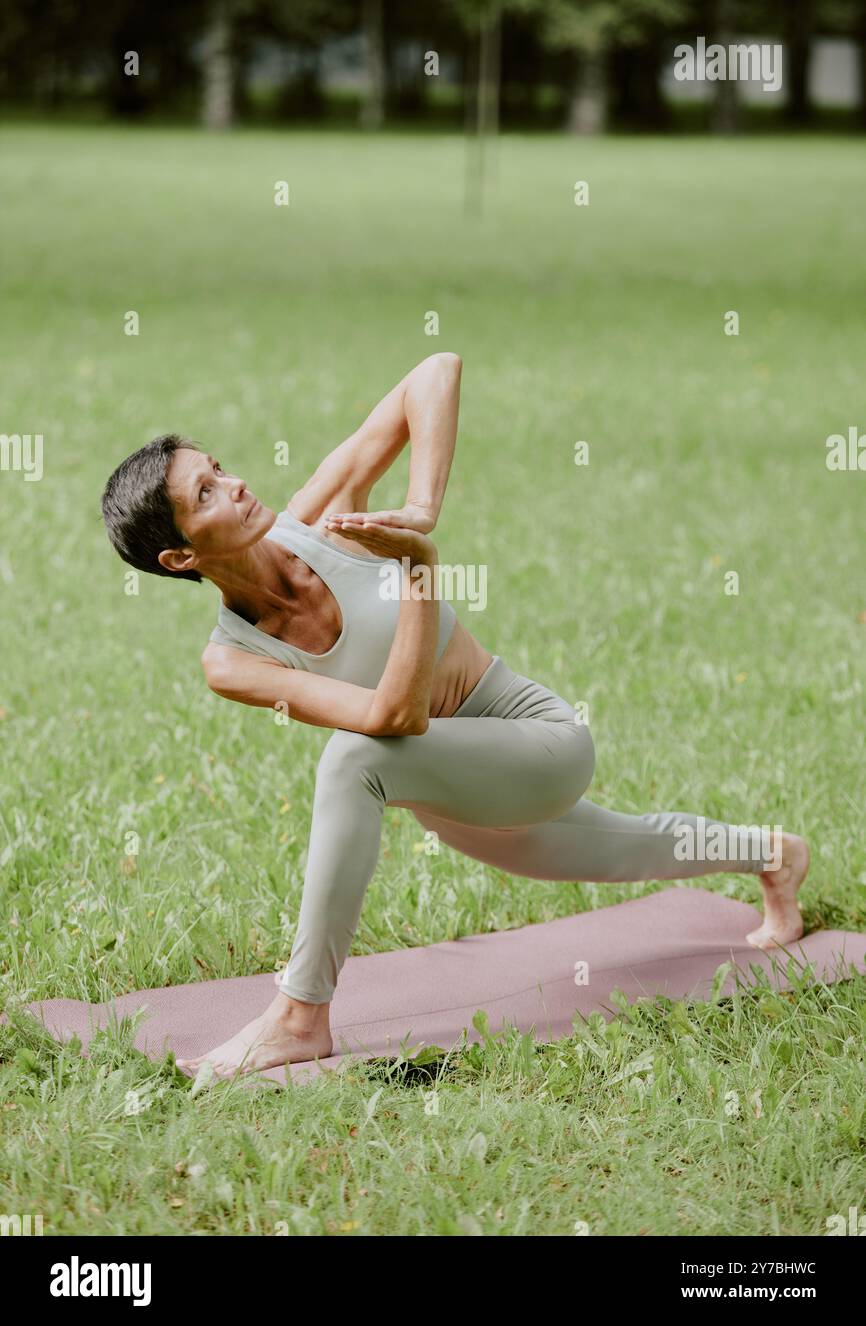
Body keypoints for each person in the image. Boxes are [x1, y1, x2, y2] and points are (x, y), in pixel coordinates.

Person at [100, 353, 810, 1080]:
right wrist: (418, 573)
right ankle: (772, 854)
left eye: (220, 466)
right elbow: (394, 716)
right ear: (181, 556)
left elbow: (435, 371)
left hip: (537, 741)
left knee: (352, 760)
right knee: (620, 848)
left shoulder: (322, 516)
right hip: (452, 793)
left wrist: (420, 511)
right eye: (208, 491)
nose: (237, 482)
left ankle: (298, 1016)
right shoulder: (232, 661)